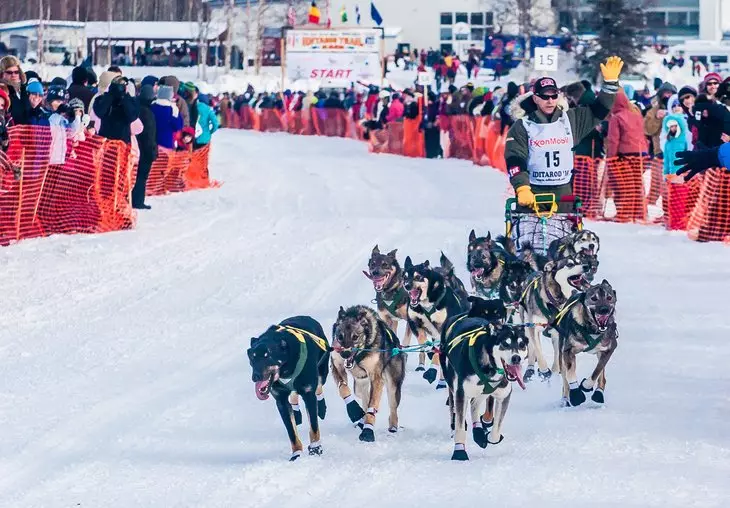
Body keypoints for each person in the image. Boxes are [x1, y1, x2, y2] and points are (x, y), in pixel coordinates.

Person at [504, 56, 624, 212]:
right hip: (533, 191)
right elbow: (514, 158)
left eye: (553, 96)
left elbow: (599, 110)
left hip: (562, 192)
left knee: (564, 235)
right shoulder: (522, 125)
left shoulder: (571, 119)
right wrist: (522, 188)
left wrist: (610, 84)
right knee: (531, 235)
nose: (550, 101)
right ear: (535, 98)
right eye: (544, 97)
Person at [133, 85, 158, 210]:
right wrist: (152, 152)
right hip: (144, 150)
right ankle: (138, 201)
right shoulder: (148, 113)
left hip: (134, 147)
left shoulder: (135, 107)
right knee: (141, 177)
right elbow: (149, 135)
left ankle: (133, 199)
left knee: (133, 175)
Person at [180, 81, 218, 149]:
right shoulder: (207, 108)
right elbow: (215, 123)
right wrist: (210, 132)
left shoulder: (189, 106)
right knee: (203, 157)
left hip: (191, 138)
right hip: (205, 138)